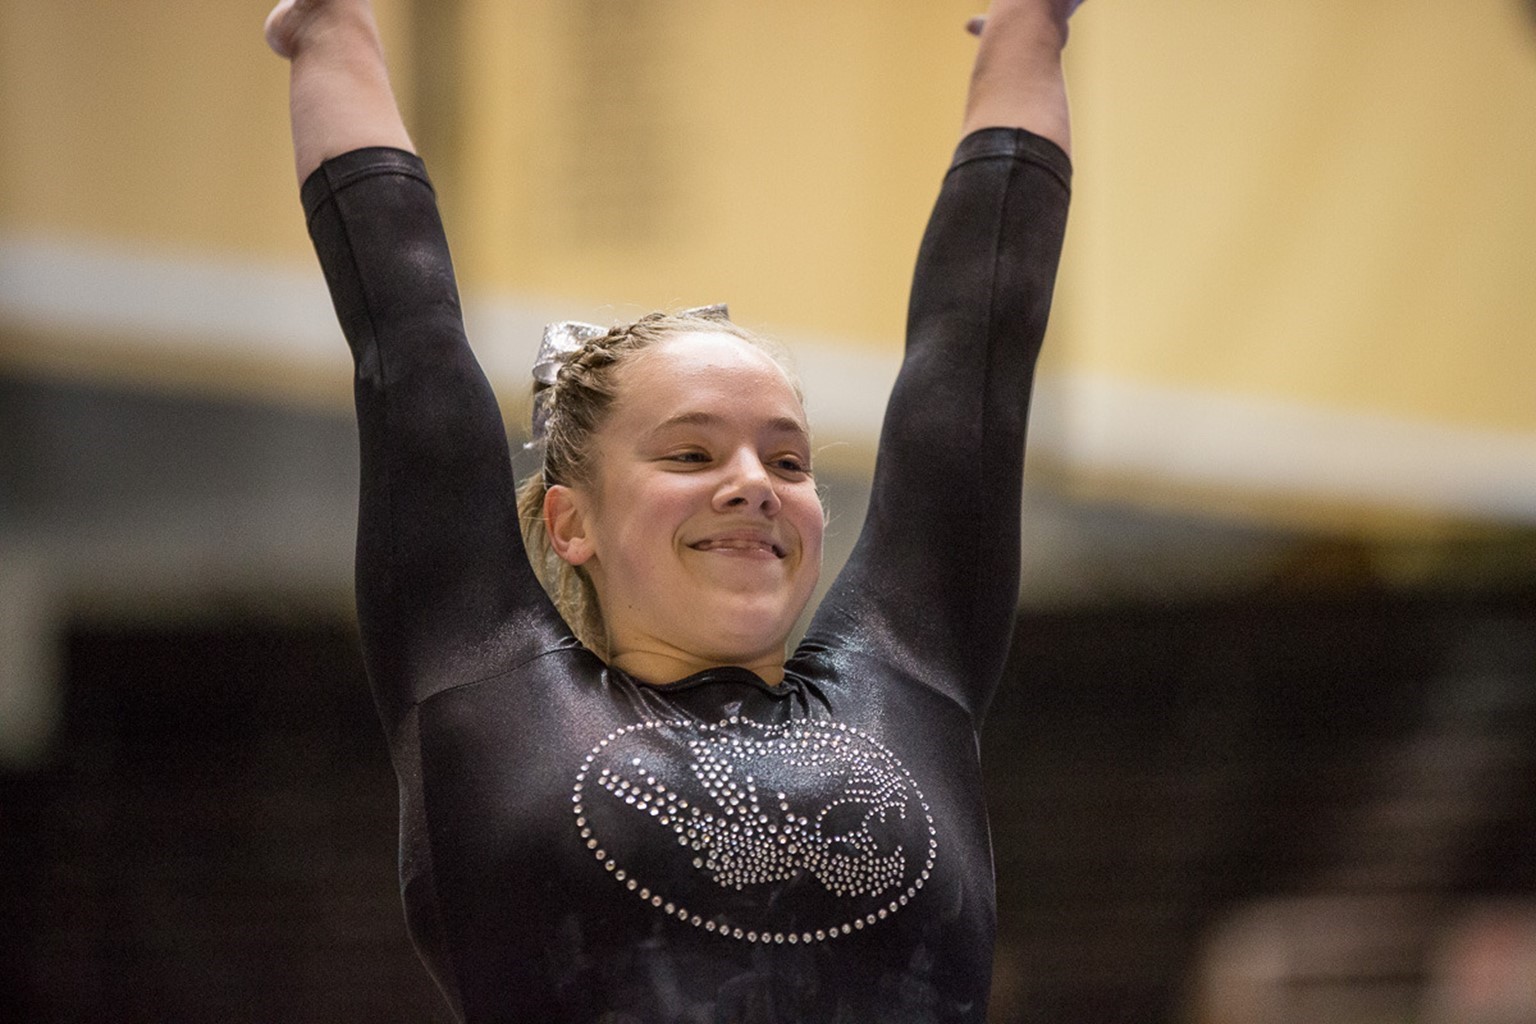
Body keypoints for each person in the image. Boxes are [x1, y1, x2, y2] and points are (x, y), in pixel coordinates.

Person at [266, 0, 1079, 1019]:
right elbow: (408, 339)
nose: (753, 483)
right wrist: (331, 27)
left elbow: (978, 355)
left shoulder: (907, 679)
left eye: (787, 459)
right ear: (570, 523)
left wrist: (1029, 26)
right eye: (691, 453)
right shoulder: (488, 691)